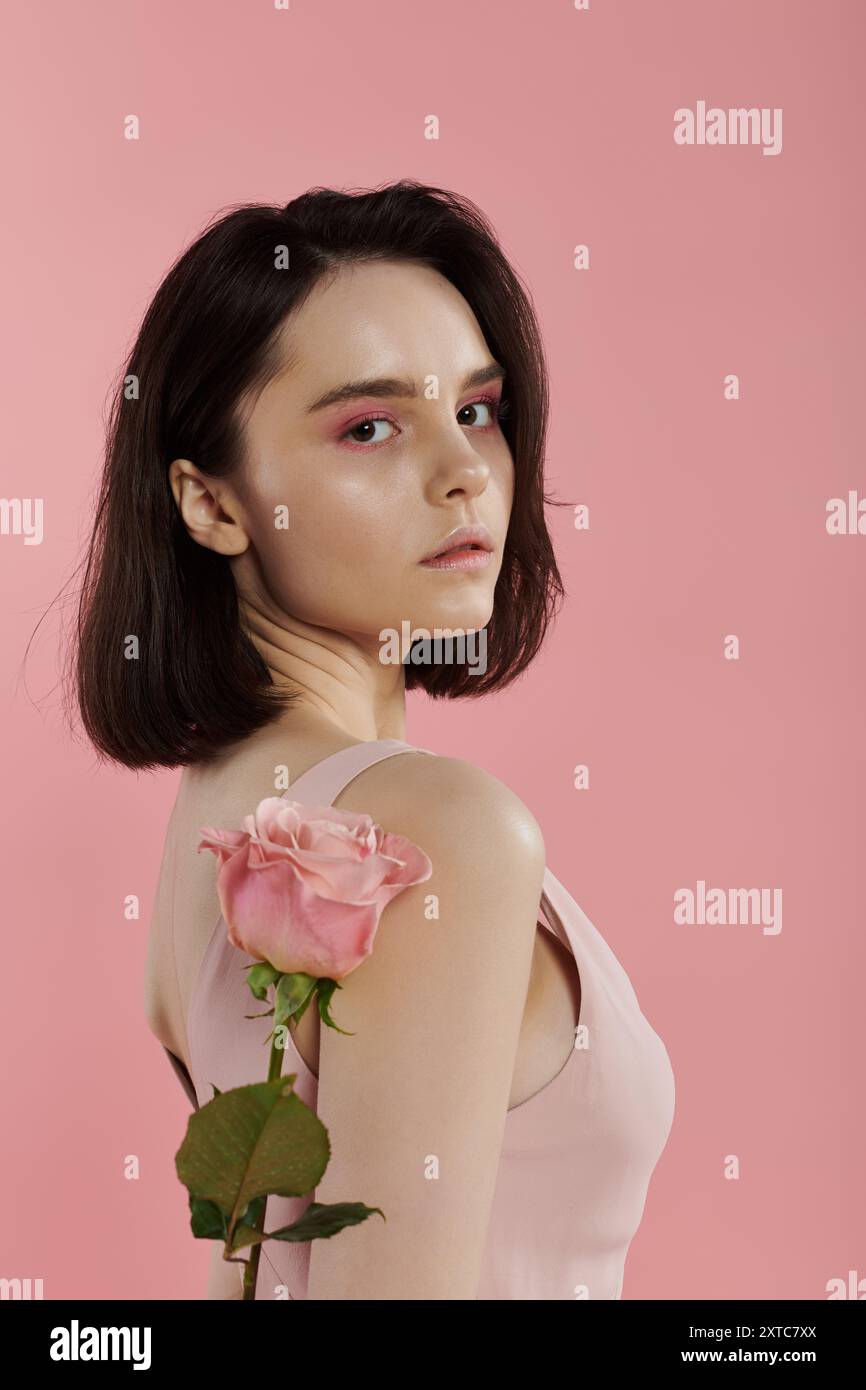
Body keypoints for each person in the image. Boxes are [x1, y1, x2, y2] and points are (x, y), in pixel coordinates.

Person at [69, 180, 675, 1300]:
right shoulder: (434, 826)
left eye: (478, 410)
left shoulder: (220, 806)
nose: (462, 475)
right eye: (369, 427)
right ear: (211, 503)